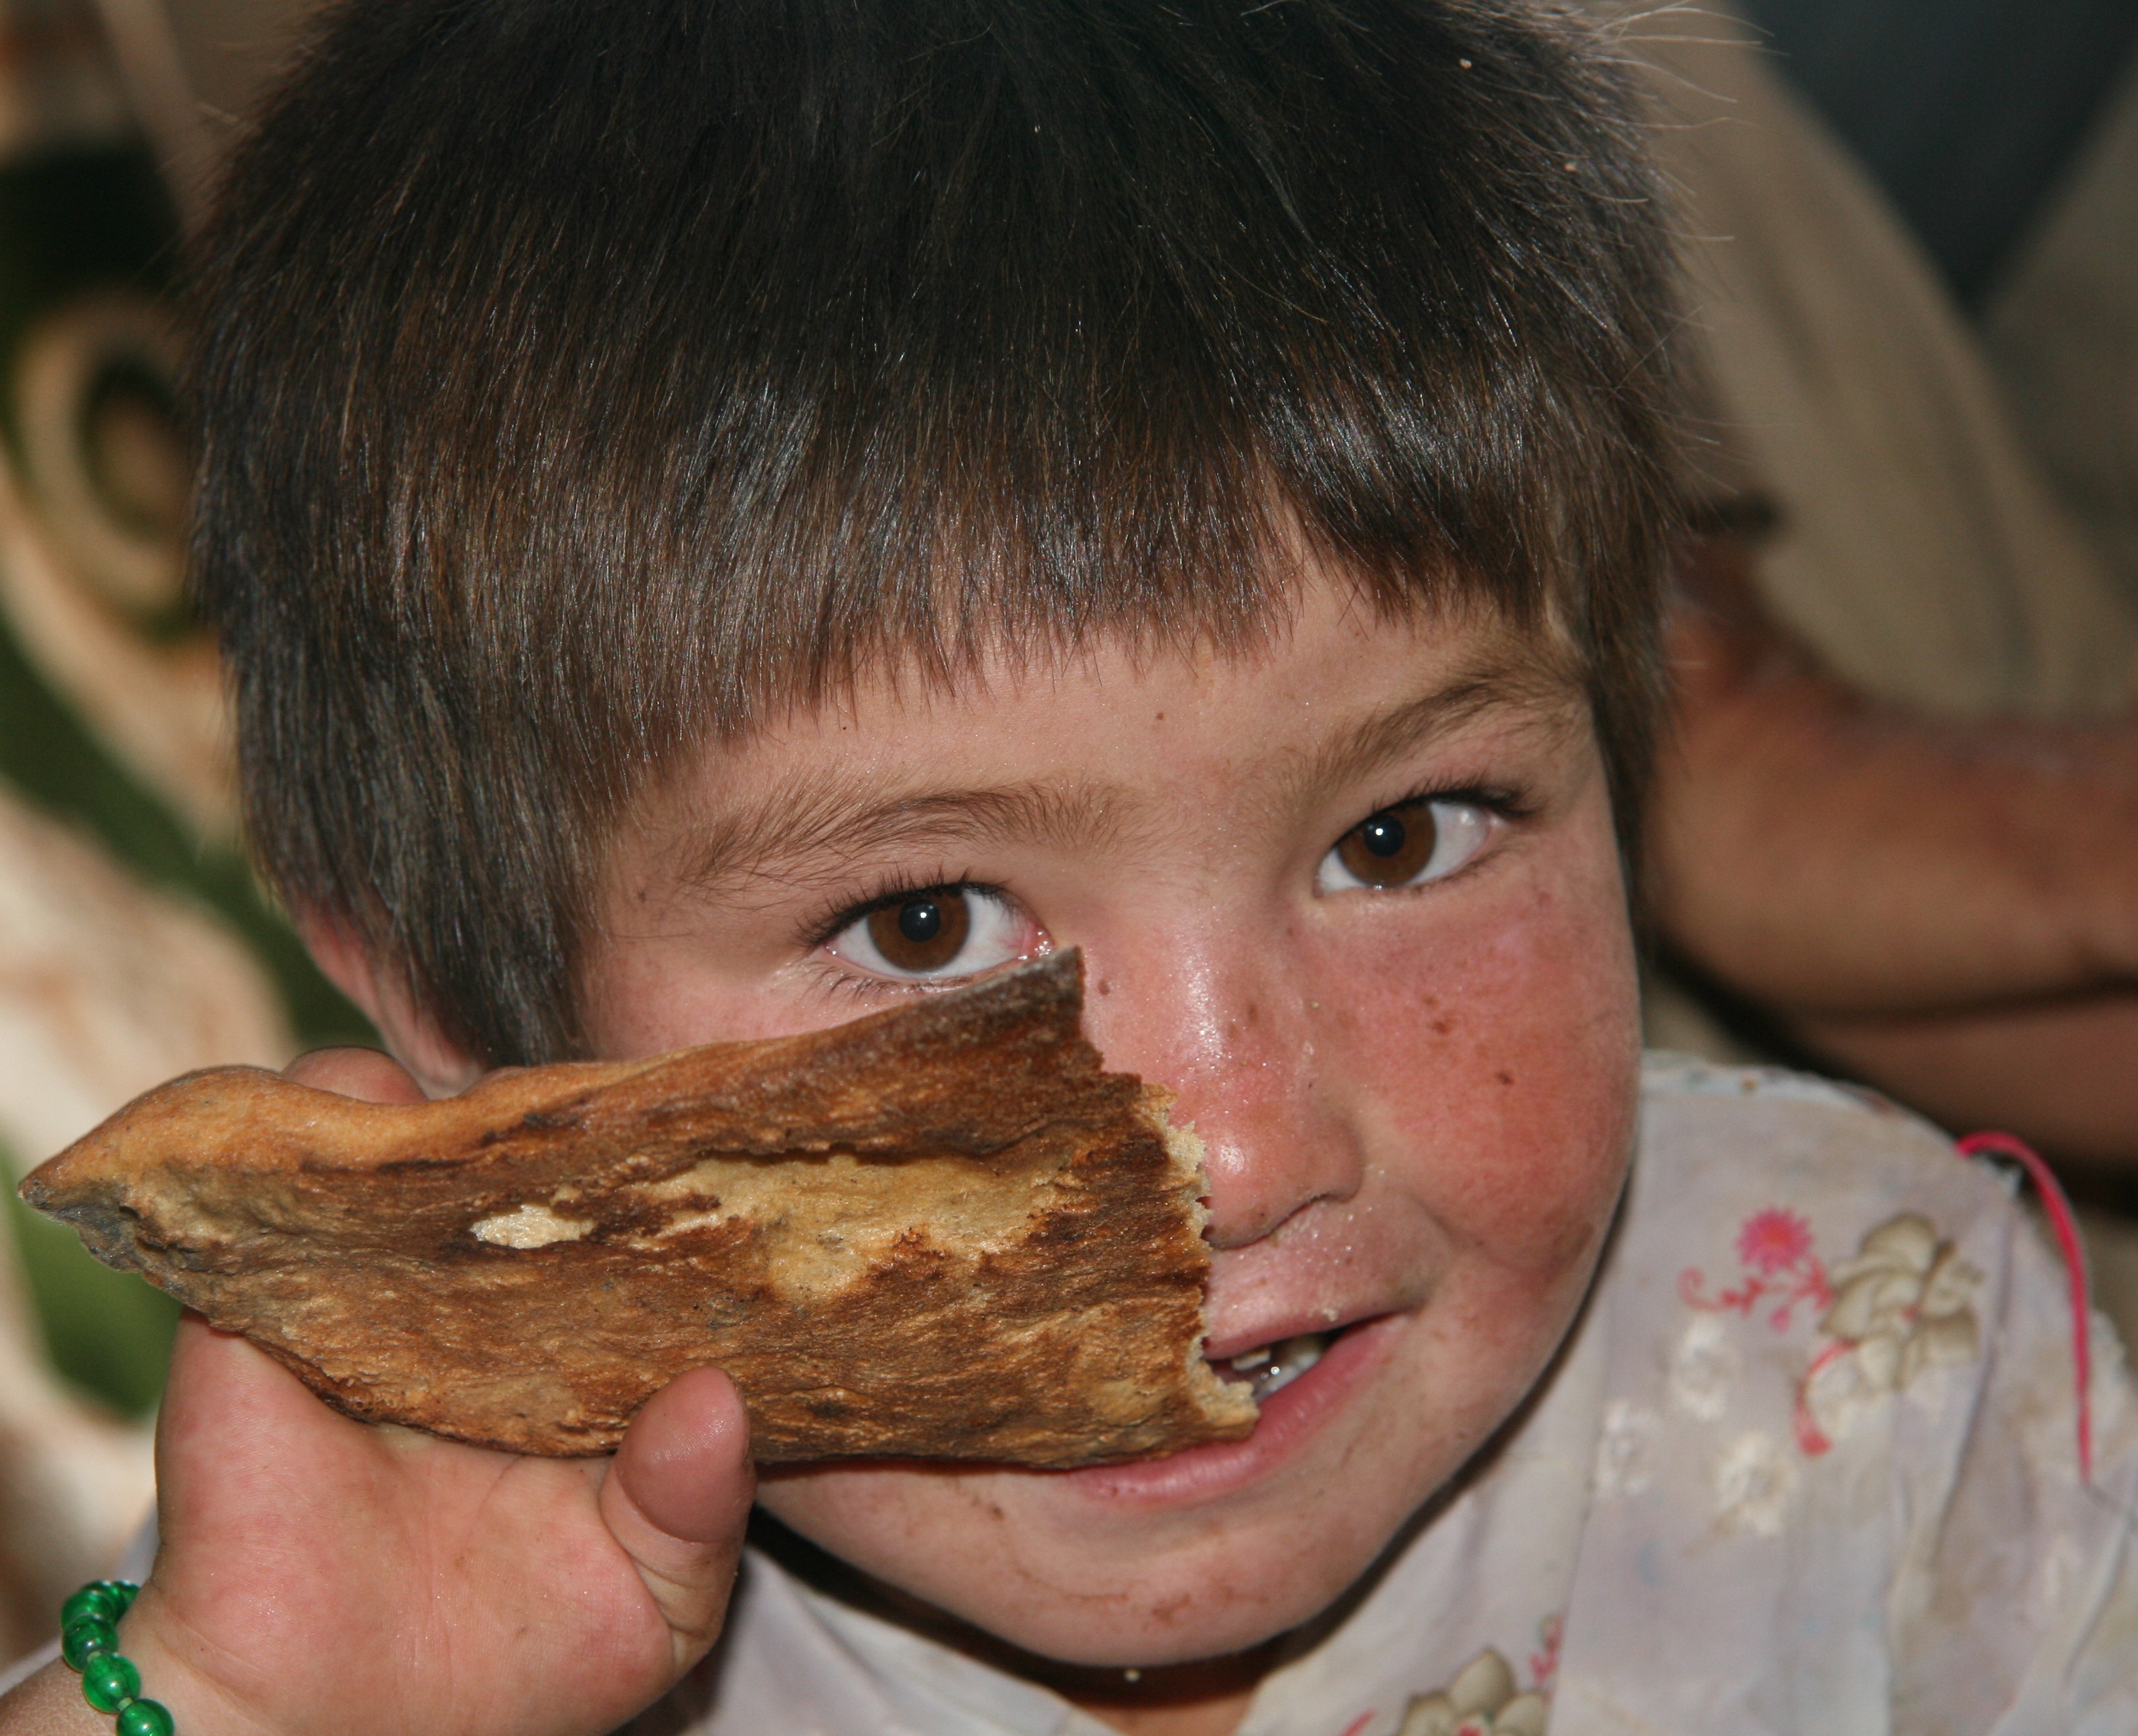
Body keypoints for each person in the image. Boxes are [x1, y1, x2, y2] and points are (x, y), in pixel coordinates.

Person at [3, 1, 2135, 1731]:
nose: (1230, 1146)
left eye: (1399, 838)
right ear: (467, 1025)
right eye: (926, 927)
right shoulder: (383, 1630)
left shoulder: (1900, 1386)